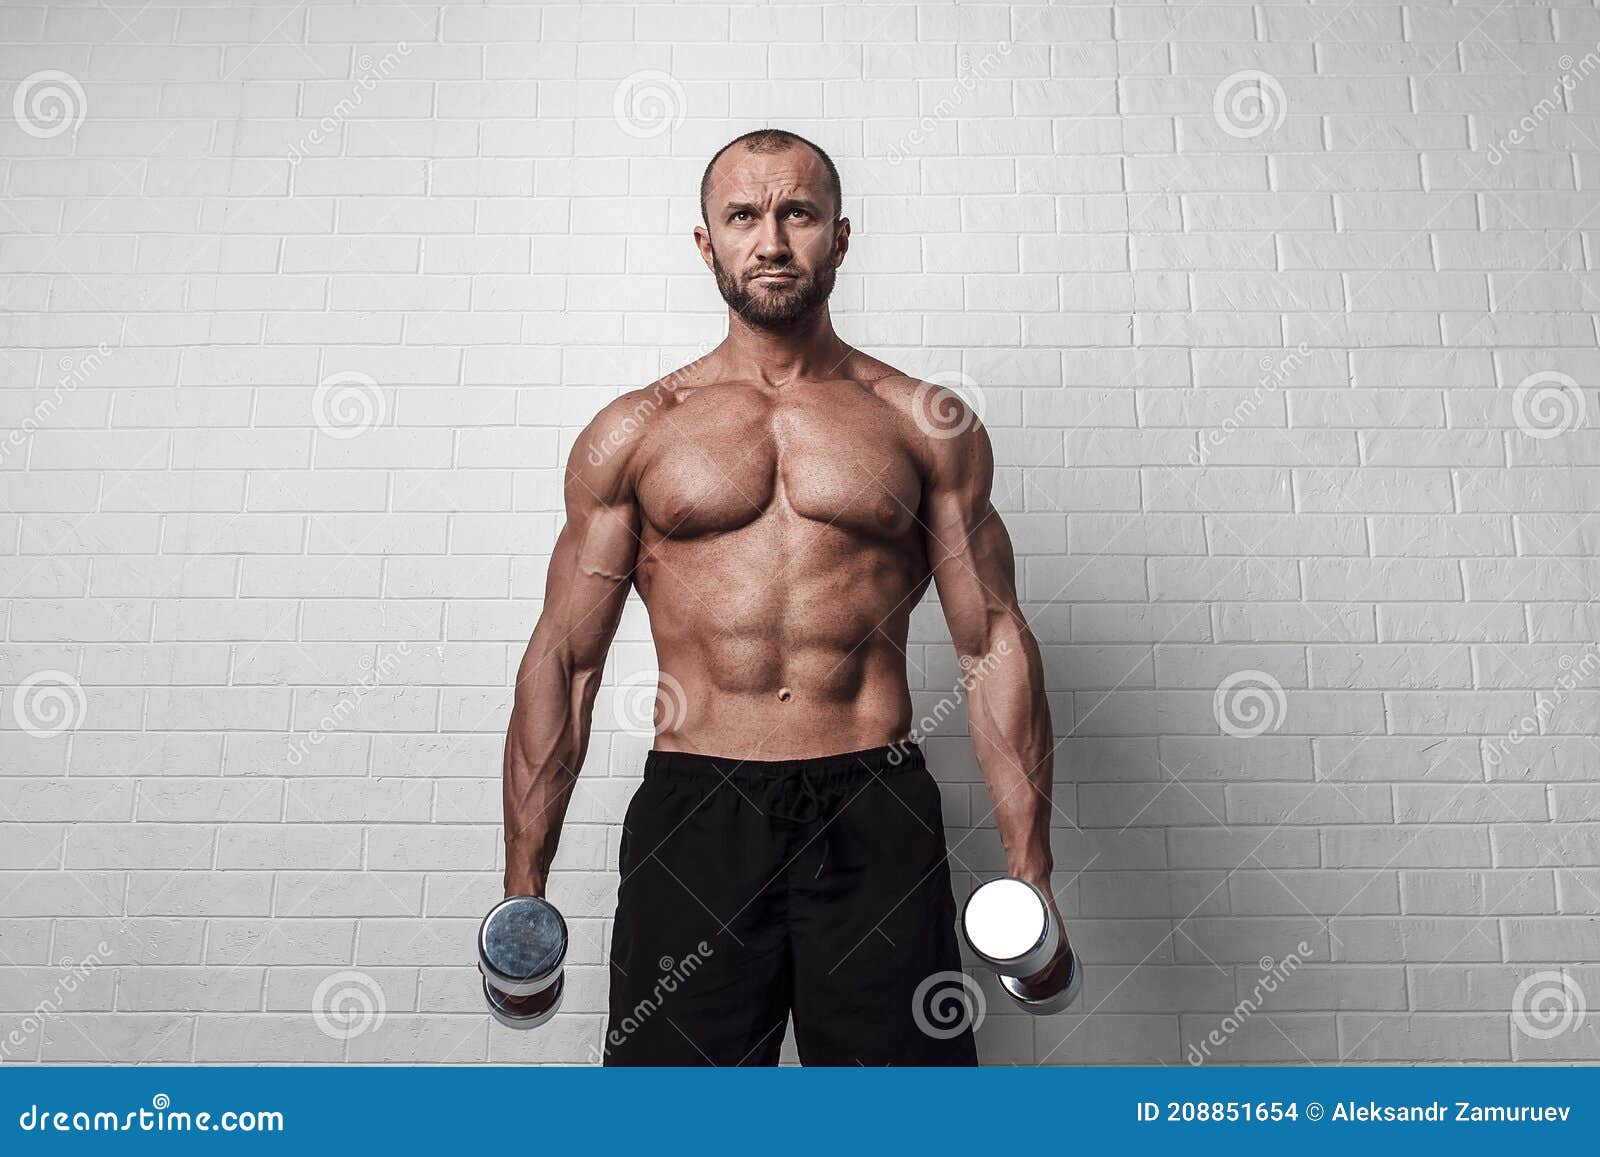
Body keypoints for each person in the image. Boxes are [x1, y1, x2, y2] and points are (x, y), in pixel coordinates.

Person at [500, 128, 1068, 1065]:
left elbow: (993, 642)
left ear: (839, 238)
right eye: (743, 215)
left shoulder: (923, 424)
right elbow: (567, 658)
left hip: (873, 807)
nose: (771, 240)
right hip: (696, 815)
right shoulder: (635, 432)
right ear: (706, 242)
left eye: (797, 212)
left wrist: (1029, 874)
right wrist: (526, 889)